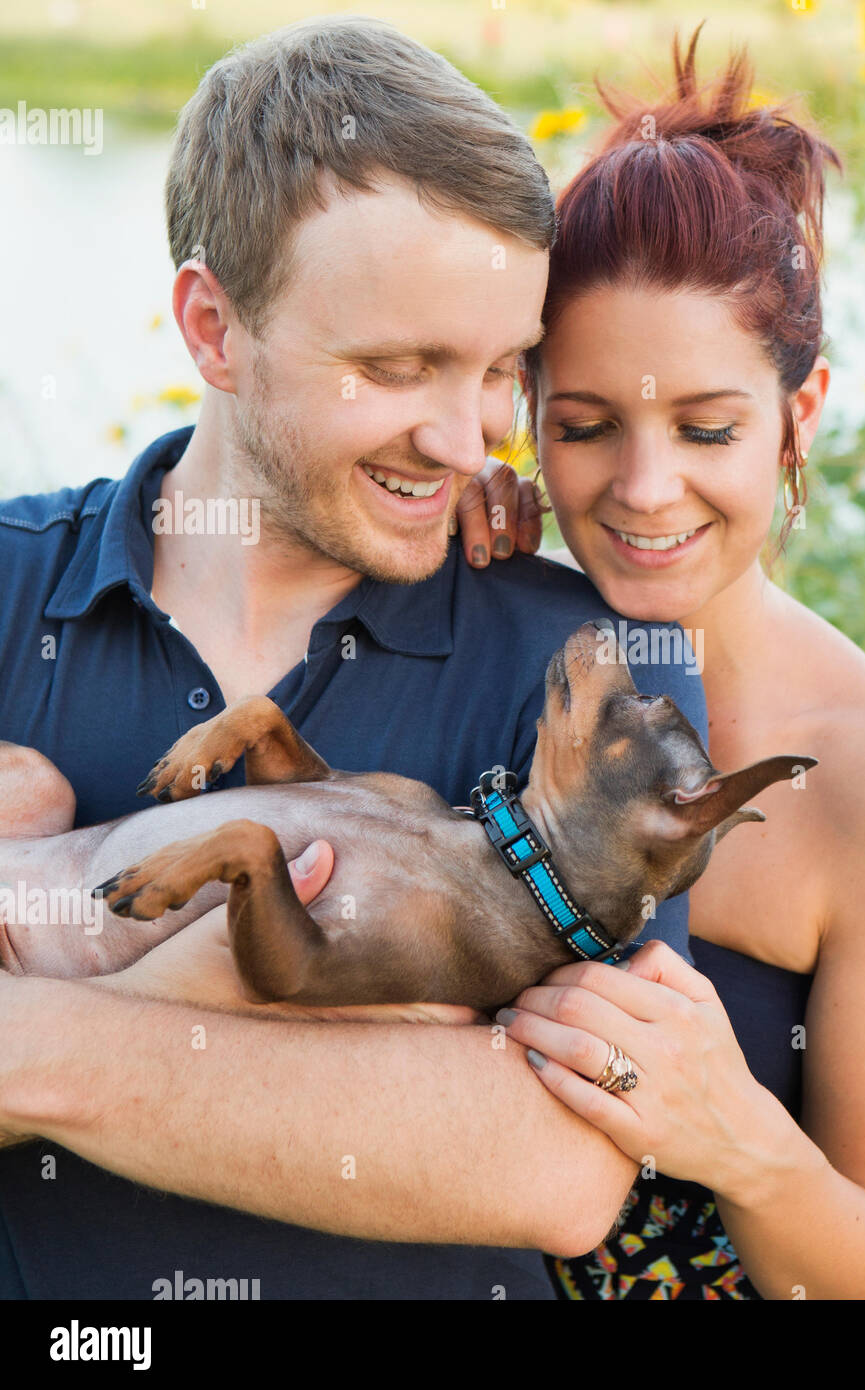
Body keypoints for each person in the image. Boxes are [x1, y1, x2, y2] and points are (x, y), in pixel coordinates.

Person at [0, 17, 707, 1300]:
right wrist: (380, 1072)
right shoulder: (10, 584)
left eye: (502, 369)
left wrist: (33, 1046)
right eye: (397, 367)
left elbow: (557, 1164)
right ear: (213, 328)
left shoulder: (575, 670)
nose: (465, 439)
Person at [457, 27, 865, 1299]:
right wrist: (420, 530)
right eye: (585, 427)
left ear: (795, 419)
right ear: (528, 411)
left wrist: (742, 1143)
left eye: (707, 426)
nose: (645, 491)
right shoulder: (473, 610)